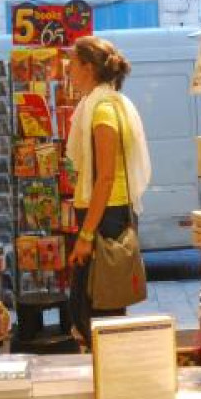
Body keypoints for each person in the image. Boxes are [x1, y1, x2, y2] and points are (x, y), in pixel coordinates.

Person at [64, 36, 152, 346]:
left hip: (105, 218)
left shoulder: (102, 110)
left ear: (88, 68)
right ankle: (105, 364)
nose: (69, 72)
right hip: (109, 213)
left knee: (94, 309)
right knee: (100, 305)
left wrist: (86, 235)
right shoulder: (111, 103)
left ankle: (108, 366)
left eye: (72, 65)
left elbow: (105, 178)